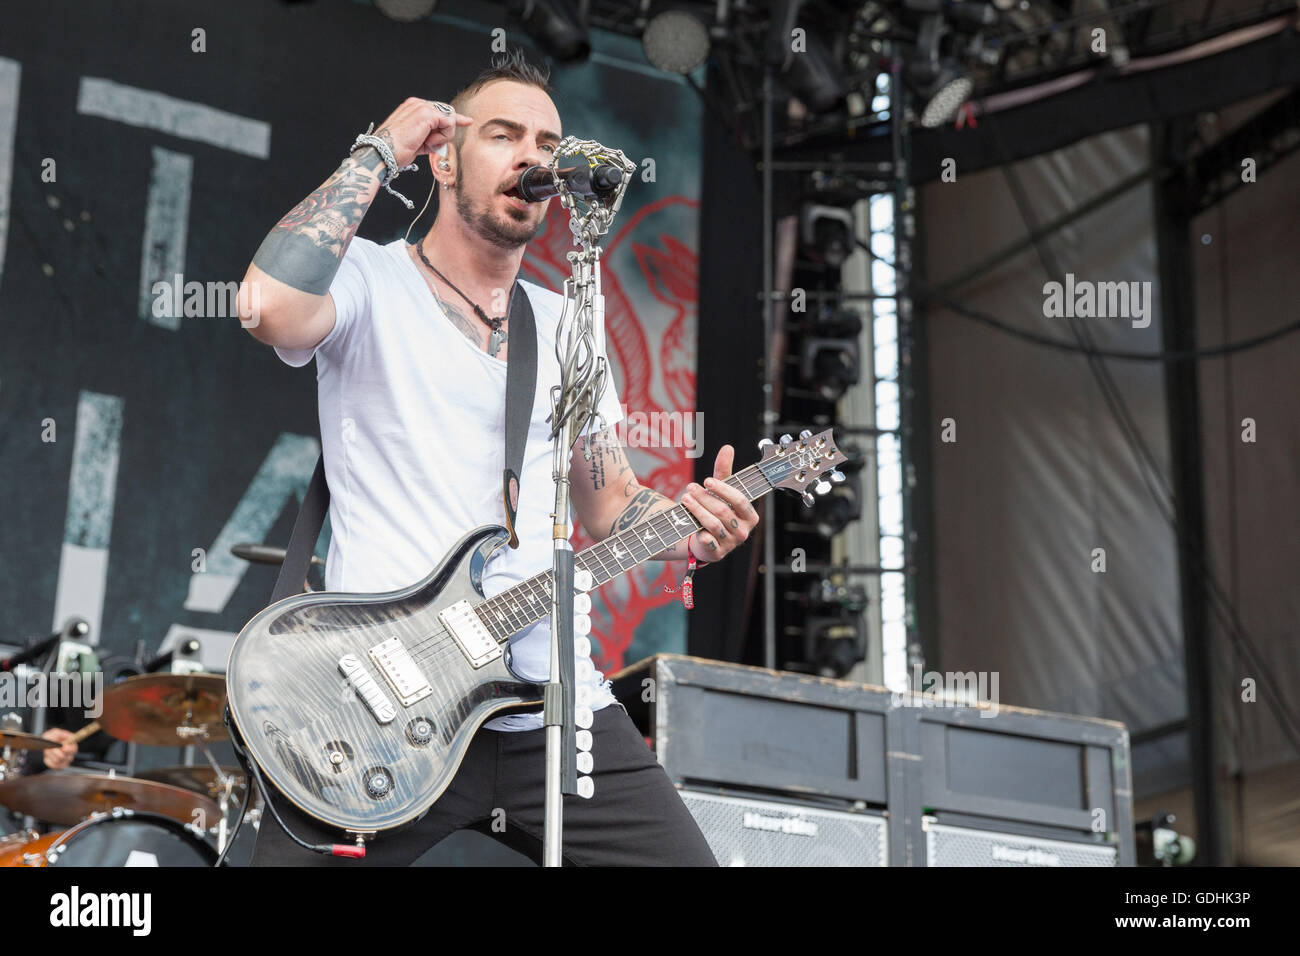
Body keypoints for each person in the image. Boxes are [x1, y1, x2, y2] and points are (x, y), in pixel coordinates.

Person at [236, 50, 757, 866]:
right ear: (443, 158)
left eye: (549, 143)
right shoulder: (372, 282)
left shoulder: (568, 324)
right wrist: (377, 152)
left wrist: (692, 527)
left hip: (549, 703)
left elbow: (609, 503)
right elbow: (265, 306)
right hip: (389, 701)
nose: (535, 159)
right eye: (505, 135)